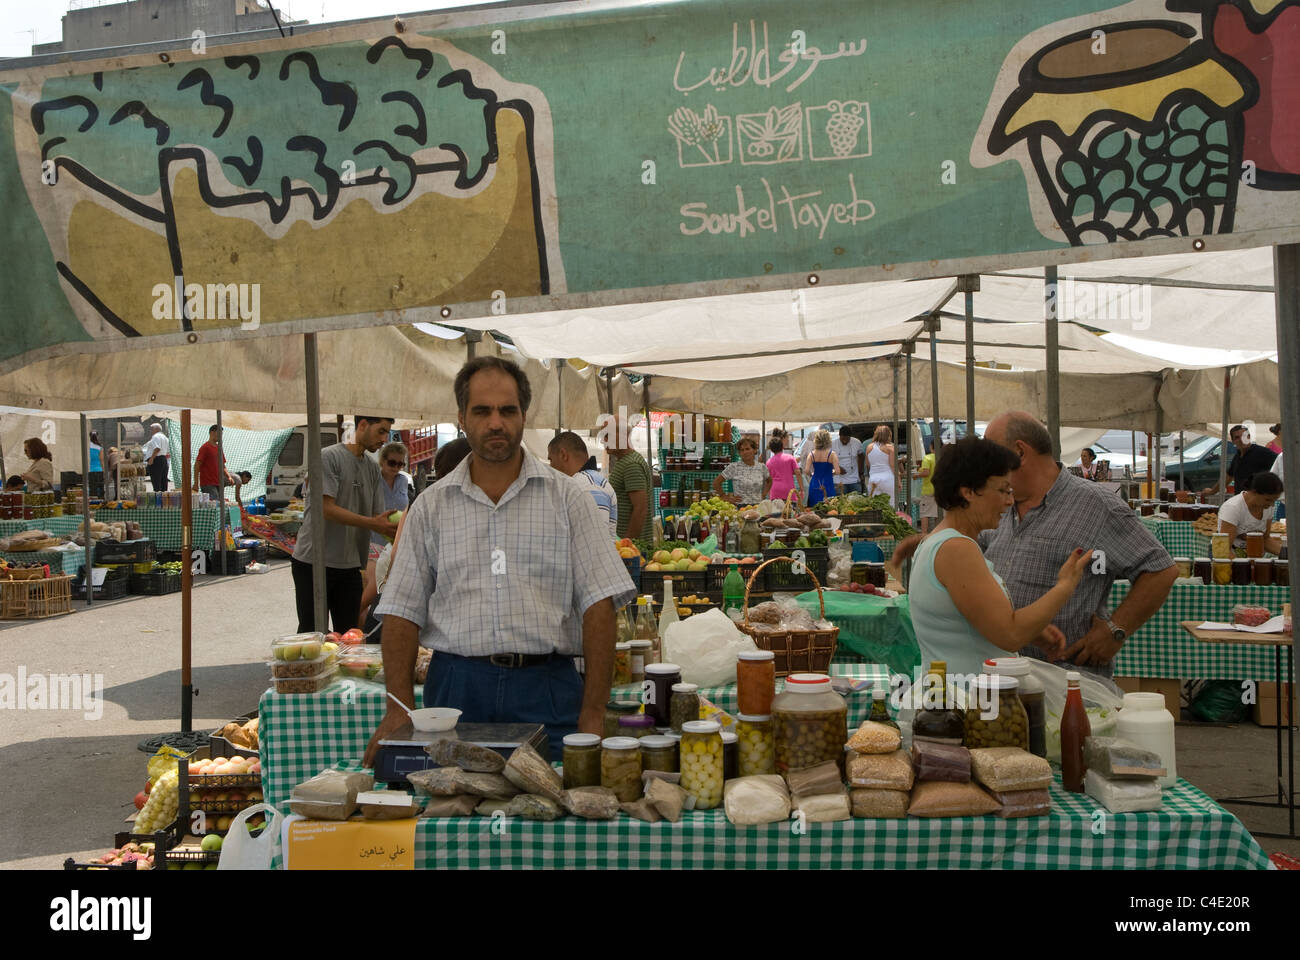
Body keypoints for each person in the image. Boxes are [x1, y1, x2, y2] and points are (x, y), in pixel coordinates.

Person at [364, 356, 636, 763]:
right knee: (451, 814)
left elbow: (599, 607)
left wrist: (593, 715)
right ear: (461, 417)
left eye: (507, 411)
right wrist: (398, 708)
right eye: (482, 411)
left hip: (548, 686)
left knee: (553, 814)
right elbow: (402, 612)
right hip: (456, 688)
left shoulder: (568, 499)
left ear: (524, 415)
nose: (496, 423)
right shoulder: (430, 508)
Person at [980, 412, 1177, 678]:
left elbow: (1160, 570)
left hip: (1067, 682)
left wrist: (1115, 630)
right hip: (1001, 677)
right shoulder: (1001, 505)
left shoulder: (1097, 506)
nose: (987, 466)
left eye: (992, 456)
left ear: (1019, 452)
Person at [909, 437, 1095, 678]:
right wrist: (1065, 586)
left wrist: (1033, 630)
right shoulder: (957, 548)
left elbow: (969, 623)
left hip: (954, 695)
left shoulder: (938, 541)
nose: (1009, 500)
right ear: (968, 492)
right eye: (1002, 490)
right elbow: (1010, 635)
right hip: (967, 702)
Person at [290, 414, 397, 634]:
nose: (384, 439)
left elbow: (378, 516)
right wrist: (373, 523)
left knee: (350, 635)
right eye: (381, 431)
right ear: (363, 425)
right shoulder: (328, 457)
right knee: (313, 633)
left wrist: (400, 531)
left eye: (387, 432)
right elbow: (325, 509)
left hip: (350, 565)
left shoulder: (372, 468)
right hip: (314, 562)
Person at [357, 441, 412, 628]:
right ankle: (352, 623)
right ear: (382, 461)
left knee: (383, 589)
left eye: (400, 464)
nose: (396, 468)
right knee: (373, 588)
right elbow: (362, 509)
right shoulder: (373, 479)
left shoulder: (404, 481)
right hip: (374, 540)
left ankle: (360, 629)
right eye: (392, 463)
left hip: (395, 543)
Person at [549, 431, 618, 538]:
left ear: (563, 455)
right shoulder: (585, 481)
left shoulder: (589, 485)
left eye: (551, 460)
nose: (550, 466)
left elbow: (595, 539)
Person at [605, 414, 653, 541]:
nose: (603, 440)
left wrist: (627, 544)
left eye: (607, 435)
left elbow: (640, 509)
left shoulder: (631, 465)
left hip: (632, 550)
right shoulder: (624, 461)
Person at [1201, 424, 1276, 500]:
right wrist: (1212, 491)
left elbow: (1281, 464)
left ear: (1249, 437)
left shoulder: (1262, 452)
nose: (1241, 439)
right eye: (1237, 437)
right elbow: (1227, 478)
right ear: (1233, 441)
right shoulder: (1237, 456)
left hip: (1258, 502)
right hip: (1241, 501)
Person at [1217, 472, 1284, 553]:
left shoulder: (1268, 507)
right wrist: (1245, 565)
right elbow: (1224, 550)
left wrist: (1286, 555)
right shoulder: (1233, 508)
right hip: (1229, 557)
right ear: (1254, 492)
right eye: (1268, 500)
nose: (1272, 504)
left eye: (1274, 500)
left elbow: (1265, 539)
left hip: (1253, 556)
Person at [713, 436, 770, 505]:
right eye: (741, 450)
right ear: (739, 453)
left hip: (757, 507)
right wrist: (724, 496)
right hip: (740, 507)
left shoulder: (762, 467)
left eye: (747, 449)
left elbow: (769, 481)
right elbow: (716, 482)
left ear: (755, 450)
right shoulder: (733, 467)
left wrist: (764, 494)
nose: (745, 452)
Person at [193, 425, 239, 502]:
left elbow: (223, 465)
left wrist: (229, 477)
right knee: (215, 505)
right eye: (219, 433)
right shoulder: (205, 447)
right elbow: (197, 465)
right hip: (207, 483)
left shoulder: (219, 448)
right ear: (212, 432)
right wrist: (196, 483)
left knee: (220, 504)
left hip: (218, 482)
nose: (220, 436)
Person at [803, 429, 840, 507]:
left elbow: (806, 470)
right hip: (828, 483)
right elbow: (838, 471)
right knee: (829, 507)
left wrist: (811, 474)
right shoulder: (832, 454)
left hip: (815, 483)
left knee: (814, 508)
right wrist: (831, 473)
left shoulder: (811, 454)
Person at [765, 437, 802, 506]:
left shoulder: (768, 462)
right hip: (789, 490)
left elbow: (767, 480)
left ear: (771, 450)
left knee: (776, 514)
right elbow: (798, 473)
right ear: (782, 446)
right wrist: (802, 489)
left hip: (775, 491)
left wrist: (768, 492)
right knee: (791, 513)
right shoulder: (790, 458)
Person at [864, 425, 896, 499]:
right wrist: (899, 481)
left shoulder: (869, 447)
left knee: (875, 505)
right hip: (888, 479)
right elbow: (893, 466)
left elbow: (867, 464)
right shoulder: (890, 447)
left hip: (873, 479)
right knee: (890, 504)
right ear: (888, 435)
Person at [831, 426, 864, 495]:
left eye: (847, 439)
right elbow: (828, 459)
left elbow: (861, 456)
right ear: (839, 435)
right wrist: (837, 468)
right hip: (839, 481)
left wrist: (860, 472)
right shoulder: (833, 444)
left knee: (857, 503)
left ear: (850, 437)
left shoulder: (857, 442)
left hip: (854, 480)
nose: (844, 441)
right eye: (842, 438)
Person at [141, 423, 171, 492]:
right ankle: (163, 498)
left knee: (156, 480)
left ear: (156, 429)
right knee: (163, 481)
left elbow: (157, 448)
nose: (151, 431)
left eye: (151, 429)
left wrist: (151, 459)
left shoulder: (156, 436)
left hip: (156, 460)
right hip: (163, 459)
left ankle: (158, 499)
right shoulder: (164, 437)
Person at [917, 448, 938, 533]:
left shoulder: (927, 458)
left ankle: (924, 535)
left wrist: (917, 475)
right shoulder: (944, 457)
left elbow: (926, 473)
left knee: (925, 513)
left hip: (928, 490)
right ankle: (938, 534)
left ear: (931, 447)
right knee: (938, 514)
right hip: (940, 490)